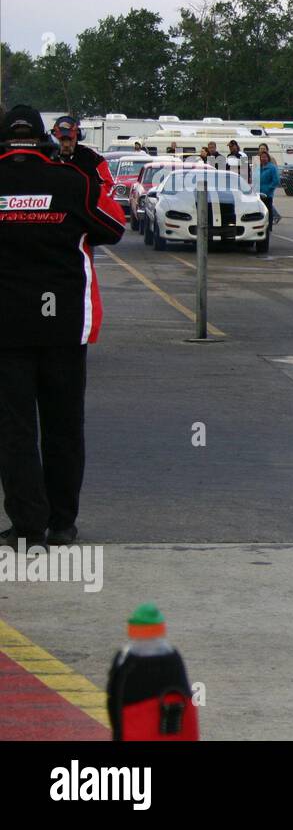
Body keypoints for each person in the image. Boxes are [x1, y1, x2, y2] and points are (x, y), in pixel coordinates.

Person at [0, 106, 125, 550]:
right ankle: (60, 524)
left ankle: (27, 525)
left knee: (14, 430)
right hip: (66, 325)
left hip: (7, 328)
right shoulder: (73, 180)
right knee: (63, 426)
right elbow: (113, 226)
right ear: (46, 139)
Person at [49, 115, 114, 201]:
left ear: (78, 136)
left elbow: (109, 185)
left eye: (70, 139)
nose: (66, 144)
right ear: (54, 138)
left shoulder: (92, 158)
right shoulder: (45, 158)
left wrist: (88, 197)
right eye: (62, 139)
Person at [256, 148, 281, 230]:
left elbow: (276, 180)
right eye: (262, 157)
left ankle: (269, 227)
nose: (263, 159)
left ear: (268, 158)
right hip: (258, 193)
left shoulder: (272, 168)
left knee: (268, 211)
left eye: (265, 157)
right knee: (259, 211)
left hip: (267, 194)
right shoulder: (258, 167)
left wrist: (269, 189)